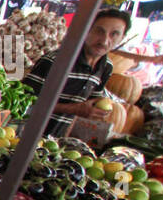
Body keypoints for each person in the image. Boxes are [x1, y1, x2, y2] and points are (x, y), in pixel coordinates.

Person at [24, 8, 130, 137]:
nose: (104, 41)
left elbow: (82, 110)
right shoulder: (55, 61)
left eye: (114, 34)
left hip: (52, 143)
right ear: (87, 30)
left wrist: (63, 140)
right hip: (24, 137)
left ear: (122, 38)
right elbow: (25, 101)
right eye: (99, 31)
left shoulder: (105, 68)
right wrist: (73, 109)